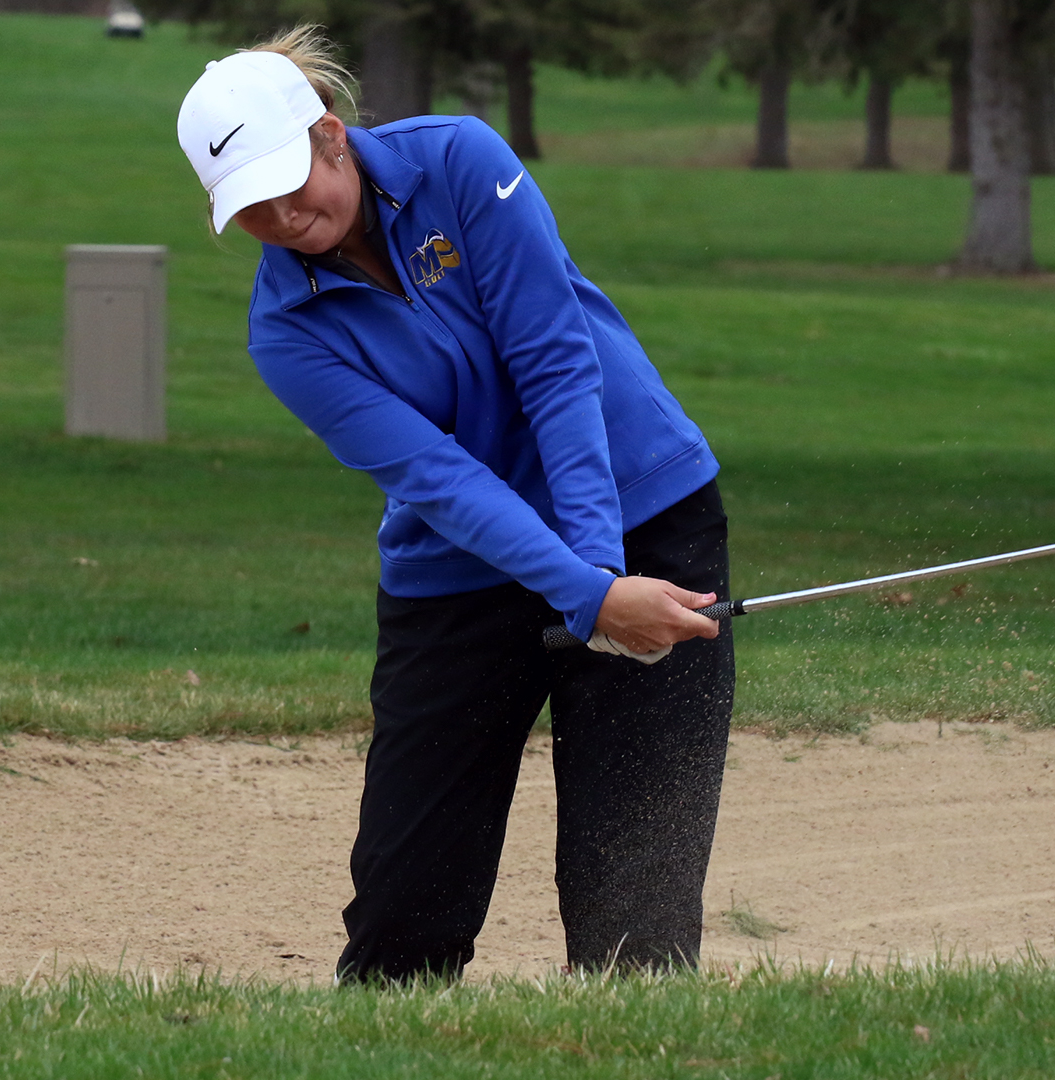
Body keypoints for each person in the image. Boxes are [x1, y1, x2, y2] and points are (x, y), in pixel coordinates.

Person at [176, 27, 735, 983]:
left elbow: (558, 369)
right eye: (249, 207)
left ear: (331, 136)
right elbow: (441, 479)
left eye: (286, 181)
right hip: (461, 567)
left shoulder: (463, 161)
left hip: (645, 514)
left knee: (634, 922)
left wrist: (600, 575)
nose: (279, 214)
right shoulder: (285, 337)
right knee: (401, 929)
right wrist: (589, 598)